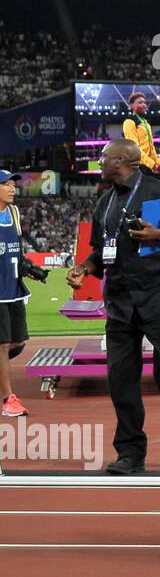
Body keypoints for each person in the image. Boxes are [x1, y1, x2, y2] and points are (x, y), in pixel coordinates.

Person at [65, 139, 160, 474]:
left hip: (158, 293)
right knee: (121, 377)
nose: (98, 162)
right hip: (120, 299)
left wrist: (159, 234)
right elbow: (101, 253)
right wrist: (83, 270)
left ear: (121, 161)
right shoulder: (104, 202)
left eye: (102, 158)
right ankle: (130, 453)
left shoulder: (159, 192)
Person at [0, 169, 45, 418]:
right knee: (3, 345)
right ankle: (8, 400)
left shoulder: (14, 213)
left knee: (17, 342)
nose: (12, 188)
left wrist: (28, 267)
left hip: (14, 289)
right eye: (5, 184)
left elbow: (14, 250)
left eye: (13, 184)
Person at [120, 92, 160, 173]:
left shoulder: (145, 123)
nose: (143, 105)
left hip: (148, 166)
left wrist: (157, 163)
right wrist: (152, 164)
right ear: (131, 106)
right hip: (138, 167)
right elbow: (134, 149)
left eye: (144, 102)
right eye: (140, 102)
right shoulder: (129, 122)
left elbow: (151, 147)